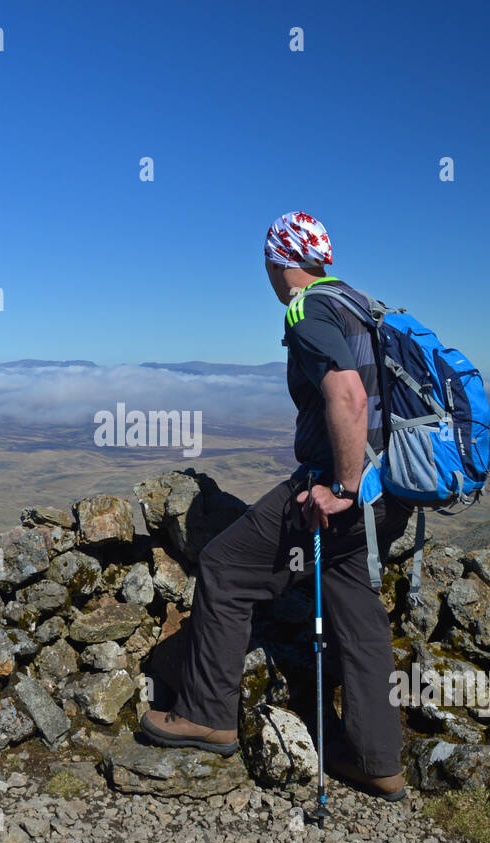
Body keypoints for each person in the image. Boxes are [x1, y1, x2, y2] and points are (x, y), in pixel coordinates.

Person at [140, 210, 412, 800]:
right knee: (358, 613)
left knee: (225, 568)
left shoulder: (307, 307)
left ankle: (206, 715)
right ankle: (376, 760)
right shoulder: (361, 304)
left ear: (277, 261)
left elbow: (348, 394)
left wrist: (339, 489)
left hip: (341, 494)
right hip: (390, 492)